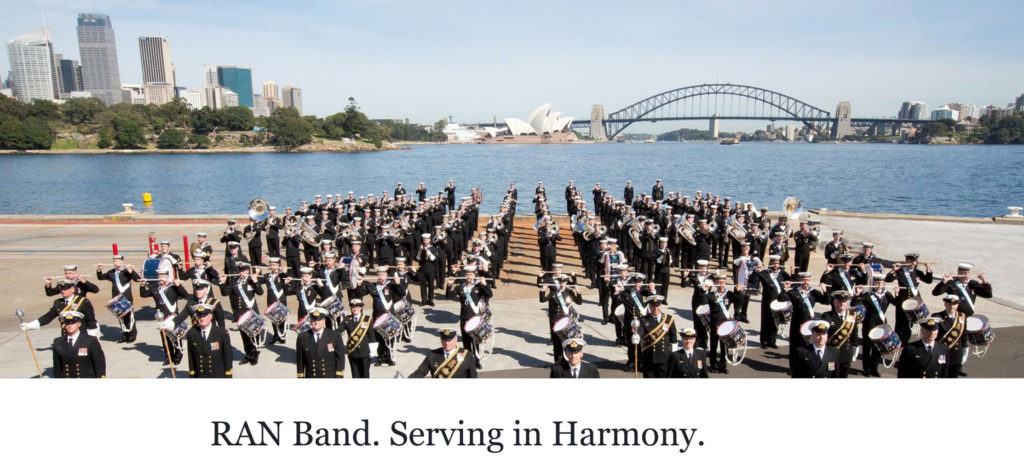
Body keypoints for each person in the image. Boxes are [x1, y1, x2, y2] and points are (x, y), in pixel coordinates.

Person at [779, 272, 828, 371]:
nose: (806, 282)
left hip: (810, 324)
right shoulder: (794, 292)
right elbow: (781, 299)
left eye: (808, 280)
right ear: (800, 280)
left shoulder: (813, 292)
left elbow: (826, 301)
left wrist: (825, 290)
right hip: (797, 324)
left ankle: (806, 366)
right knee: (795, 346)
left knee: (809, 346)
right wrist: (784, 288)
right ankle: (793, 368)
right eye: (804, 279)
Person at [885, 253, 933, 344]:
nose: (913, 263)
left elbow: (928, 280)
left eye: (914, 261)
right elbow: (888, 280)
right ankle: (898, 341)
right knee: (901, 323)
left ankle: (906, 342)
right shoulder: (900, 271)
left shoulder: (917, 272)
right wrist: (893, 270)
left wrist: (928, 269)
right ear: (906, 261)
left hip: (914, 303)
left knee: (910, 323)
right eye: (911, 261)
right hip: (903, 302)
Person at [854, 273, 896, 377]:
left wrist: (897, 294)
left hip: (881, 325)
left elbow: (897, 304)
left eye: (881, 283)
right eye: (877, 283)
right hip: (869, 325)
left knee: (878, 349)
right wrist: (858, 294)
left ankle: (874, 369)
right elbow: (854, 304)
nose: (879, 285)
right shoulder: (867, 295)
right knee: (867, 348)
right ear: (873, 283)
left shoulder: (887, 295)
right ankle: (866, 369)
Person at [96, 255, 142, 343]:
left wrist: (131, 270)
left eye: (117, 261)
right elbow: (101, 277)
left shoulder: (126, 271)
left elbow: (138, 279)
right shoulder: (112, 272)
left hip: (126, 298)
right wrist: (99, 269)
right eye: (114, 261)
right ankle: (124, 335)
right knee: (121, 318)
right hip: (116, 298)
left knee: (129, 317)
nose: (115, 263)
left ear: (122, 262)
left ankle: (132, 336)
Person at [180, 303, 233, 378]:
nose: (202, 318)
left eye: (205, 316)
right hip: (200, 375)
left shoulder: (221, 333)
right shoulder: (192, 333)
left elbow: (228, 356)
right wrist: (192, 374)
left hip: (217, 375)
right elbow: (191, 356)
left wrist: (228, 374)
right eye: (199, 316)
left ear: (211, 316)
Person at [540, 274, 583, 364]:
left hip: (567, 322)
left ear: (566, 282)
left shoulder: (569, 292)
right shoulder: (554, 292)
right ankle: (557, 362)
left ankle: (567, 361)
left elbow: (579, 302)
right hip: (557, 322)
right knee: (557, 344)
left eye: (564, 282)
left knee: (567, 343)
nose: (562, 283)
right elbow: (543, 300)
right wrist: (543, 289)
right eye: (560, 282)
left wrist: (578, 291)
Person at [51, 311, 105, 378]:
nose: (70, 325)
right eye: (67, 323)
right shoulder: (58, 342)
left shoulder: (90, 341)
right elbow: (57, 367)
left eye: (73, 323)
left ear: (79, 324)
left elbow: (99, 364)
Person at [751, 255, 789, 349]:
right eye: (774, 263)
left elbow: (792, 281)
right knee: (766, 321)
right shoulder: (764, 273)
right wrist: (755, 272)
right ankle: (764, 341)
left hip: (779, 301)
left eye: (777, 263)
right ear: (770, 263)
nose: (776, 265)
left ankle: (772, 341)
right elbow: (753, 280)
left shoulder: (782, 274)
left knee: (775, 321)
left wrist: (793, 272)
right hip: (767, 301)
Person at [295, 307, 346, 378]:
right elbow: (300, 360)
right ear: (310, 321)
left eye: (319, 320)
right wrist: (300, 376)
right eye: (313, 320)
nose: (316, 322)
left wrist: (339, 376)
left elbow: (340, 358)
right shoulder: (303, 337)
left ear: (324, 321)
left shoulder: (334, 335)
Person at [820, 290, 860, 378]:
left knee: (844, 376)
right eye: (839, 301)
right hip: (831, 356)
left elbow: (854, 334)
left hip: (846, 355)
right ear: (834, 302)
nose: (842, 303)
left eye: (844, 301)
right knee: (831, 376)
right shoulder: (827, 316)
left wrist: (855, 350)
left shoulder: (852, 315)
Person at [409, 328, 478, 378]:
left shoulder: (467, 355)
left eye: (450, 340)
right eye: (444, 340)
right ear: (441, 340)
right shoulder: (432, 355)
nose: (447, 343)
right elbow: (420, 373)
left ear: (456, 339)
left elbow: (473, 377)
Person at [639, 295, 677, 378]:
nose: (655, 308)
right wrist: (636, 336)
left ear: (661, 306)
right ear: (649, 306)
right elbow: (640, 333)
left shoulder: (668, 319)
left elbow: (673, 338)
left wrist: (674, 356)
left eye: (657, 306)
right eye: (653, 306)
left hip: (664, 358)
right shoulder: (643, 320)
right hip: (649, 358)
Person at [933, 295, 968, 378]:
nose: (952, 306)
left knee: (953, 376)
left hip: (957, 353)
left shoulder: (961, 316)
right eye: (949, 304)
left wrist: (965, 350)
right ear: (945, 304)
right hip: (942, 352)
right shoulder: (937, 316)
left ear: (957, 305)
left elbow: (964, 334)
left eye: (954, 304)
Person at [343, 299, 373, 378]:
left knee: (365, 375)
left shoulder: (367, 319)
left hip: (364, 352)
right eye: (352, 307)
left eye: (357, 307)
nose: (354, 309)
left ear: (360, 308)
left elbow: (372, 336)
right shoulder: (346, 319)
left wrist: (373, 351)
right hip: (353, 352)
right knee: (355, 375)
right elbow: (338, 331)